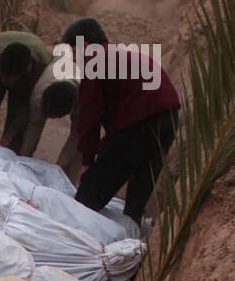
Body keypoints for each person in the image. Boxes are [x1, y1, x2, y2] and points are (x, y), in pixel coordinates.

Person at [62, 16, 181, 224]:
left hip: (142, 123)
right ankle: (131, 230)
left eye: (73, 51)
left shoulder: (95, 60)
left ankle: (76, 234)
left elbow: (89, 114)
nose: (73, 58)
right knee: (142, 179)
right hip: (168, 118)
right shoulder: (121, 54)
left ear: (85, 46)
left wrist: (87, 162)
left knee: (88, 196)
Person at [0, 31, 54, 149]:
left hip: (28, 78)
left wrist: (9, 135)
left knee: (15, 137)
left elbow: (27, 107)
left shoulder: (41, 67)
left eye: (11, 80)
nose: (7, 83)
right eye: (4, 78)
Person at [17, 68, 79, 168]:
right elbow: (34, 125)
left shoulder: (88, 100)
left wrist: (61, 164)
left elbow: (78, 135)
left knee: (75, 156)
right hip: (62, 68)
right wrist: (24, 154)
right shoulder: (40, 92)